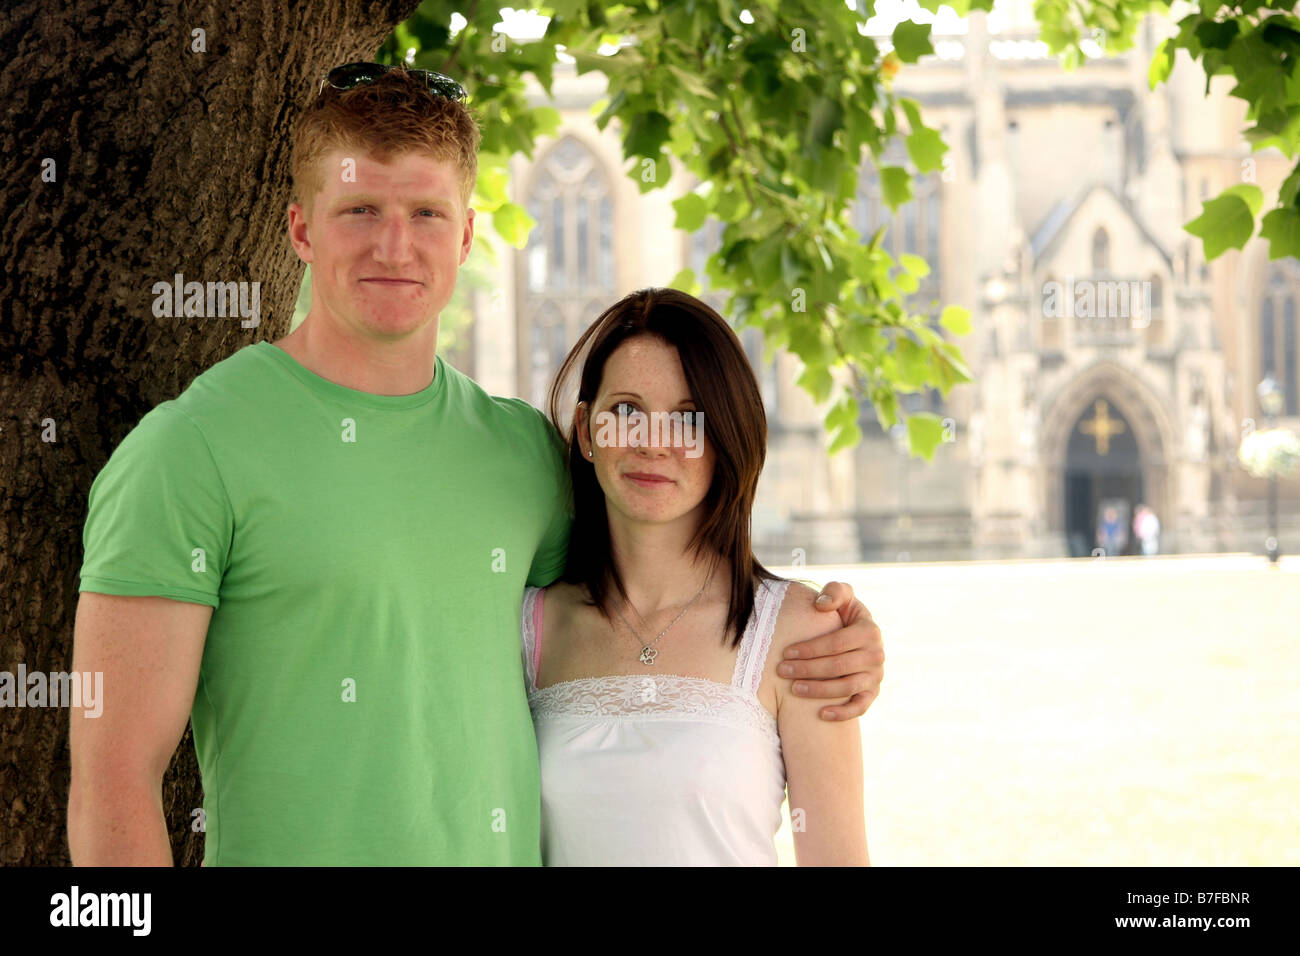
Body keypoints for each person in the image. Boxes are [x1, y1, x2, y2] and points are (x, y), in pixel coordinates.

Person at [67, 63, 885, 866]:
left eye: (426, 212)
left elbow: (648, 593)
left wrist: (823, 632)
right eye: (359, 209)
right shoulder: (190, 451)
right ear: (301, 231)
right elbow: (113, 788)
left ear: (464, 236)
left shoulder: (522, 452)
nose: (396, 245)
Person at [525, 288, 869, 865]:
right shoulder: (531, 627)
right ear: (586, 432)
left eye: (688, 418)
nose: (654, 444)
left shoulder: (801, 633)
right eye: (626, 412)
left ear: (725, 437)